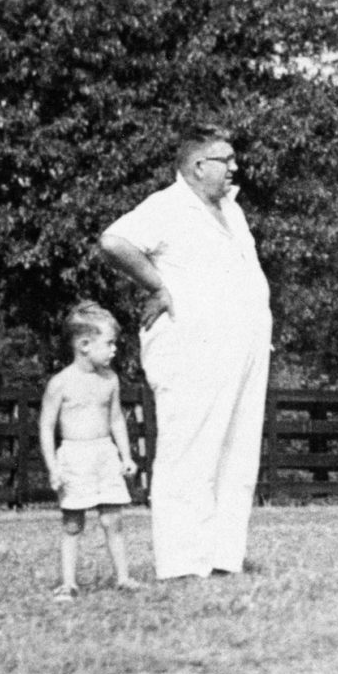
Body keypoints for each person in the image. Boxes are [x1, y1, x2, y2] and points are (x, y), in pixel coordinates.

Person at [97, 125, 271, 580]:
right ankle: (180, 562)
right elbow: (114, 242)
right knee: (188, 450)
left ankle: (220, 557)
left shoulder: (231, 209)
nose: (235, 167)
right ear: (198, 165)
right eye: (225, 159)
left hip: (244, 345)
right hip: (193, 349)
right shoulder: (167, 207)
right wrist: (157, 285)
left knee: (236, 452)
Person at [38, 301, 140, 597]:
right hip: (74, 456)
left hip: (105, 454)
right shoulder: (61, 383)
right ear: (84, 345)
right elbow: (46, 427)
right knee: (72, 522)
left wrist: (126, 456)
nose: (114, 350)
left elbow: (117, 419)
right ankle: (68, 582)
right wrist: (53, 468)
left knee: (113, 519)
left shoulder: (110, 380)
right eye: (108, 343)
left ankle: (123, 577)